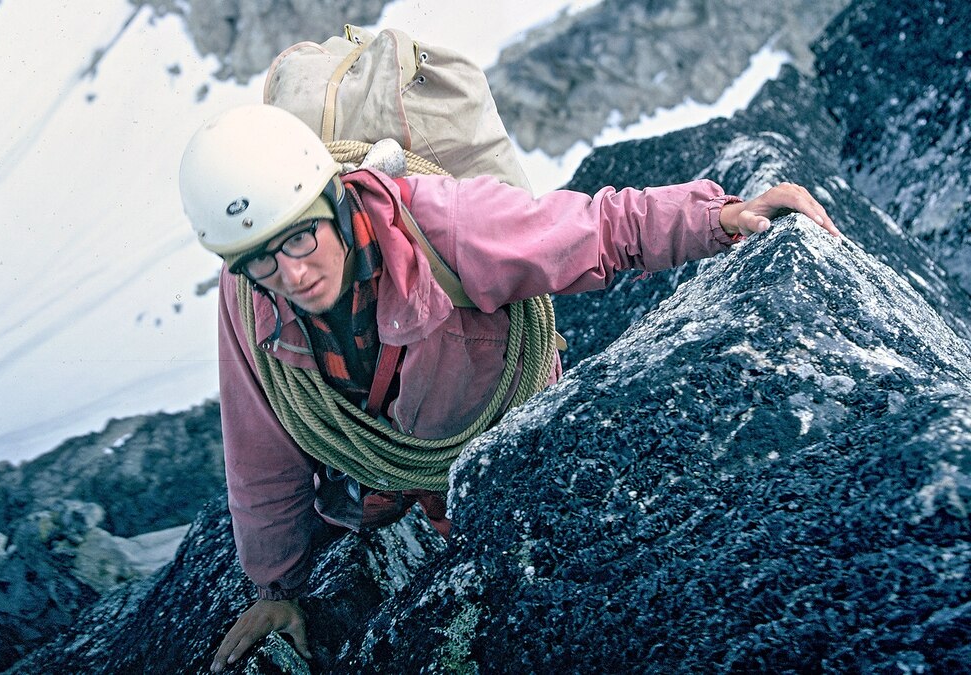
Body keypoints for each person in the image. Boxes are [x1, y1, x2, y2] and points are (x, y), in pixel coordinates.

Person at [178, 104, 840, 672]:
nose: (289, 274)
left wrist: (718, 218)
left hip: (501, 442)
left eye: (300, 239)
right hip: (396, 463)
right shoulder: (248, 295)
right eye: (261, 257)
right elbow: (258, 444)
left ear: (336, 201)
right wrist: (275, 585)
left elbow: (596, 231)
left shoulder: (442, 224)